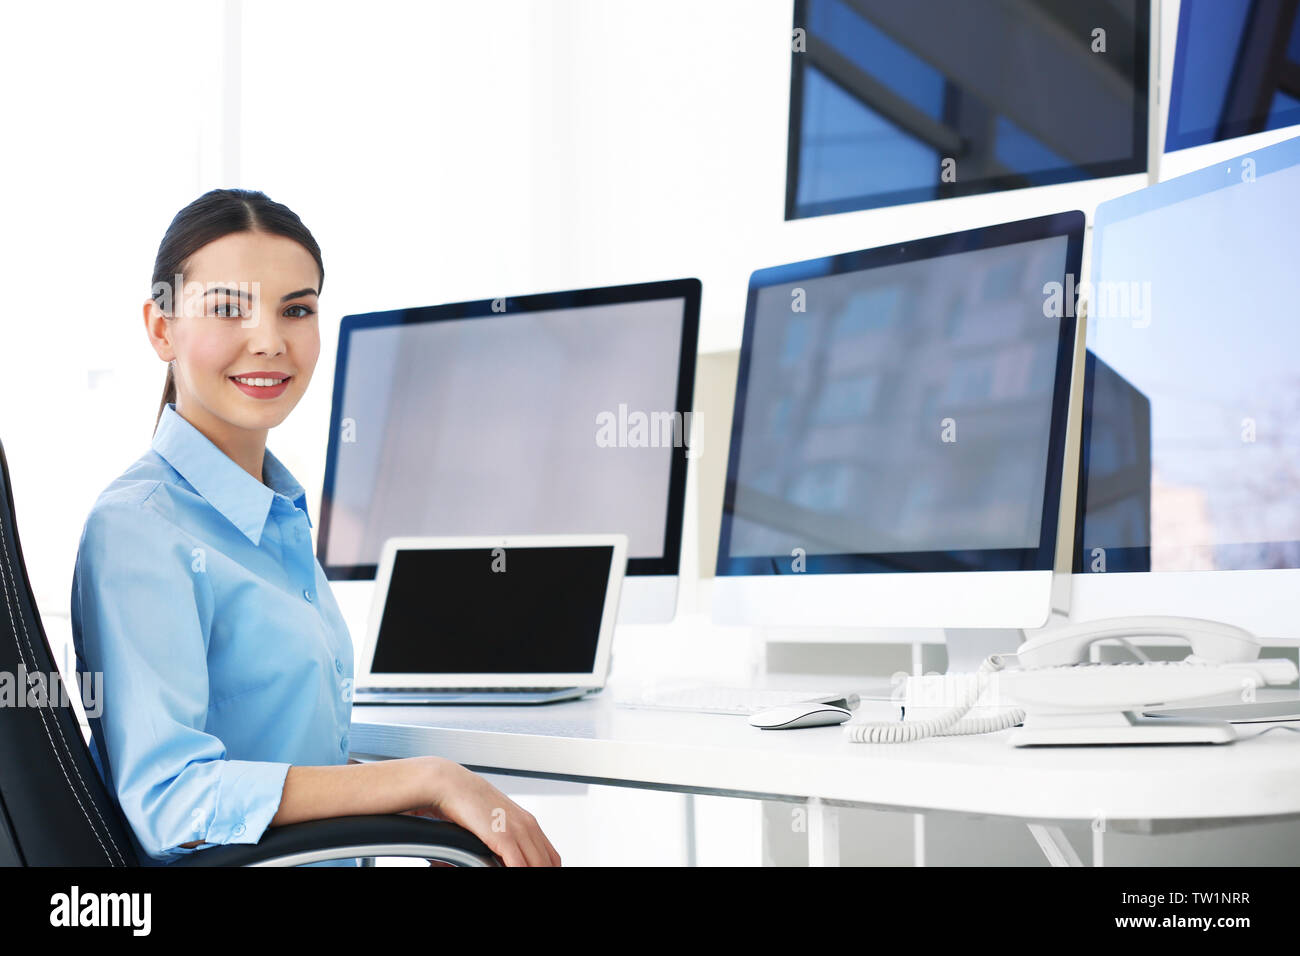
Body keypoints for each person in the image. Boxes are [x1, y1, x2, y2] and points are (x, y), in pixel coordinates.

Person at [70, 188, 559, 867]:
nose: (269, 340)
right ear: (161, 329)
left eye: (296, 309)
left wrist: (401, 790)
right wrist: (425, 777)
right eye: (228, 308)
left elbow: (278, 748)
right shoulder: (140, 529)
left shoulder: (274, 512)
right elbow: (170, 799)